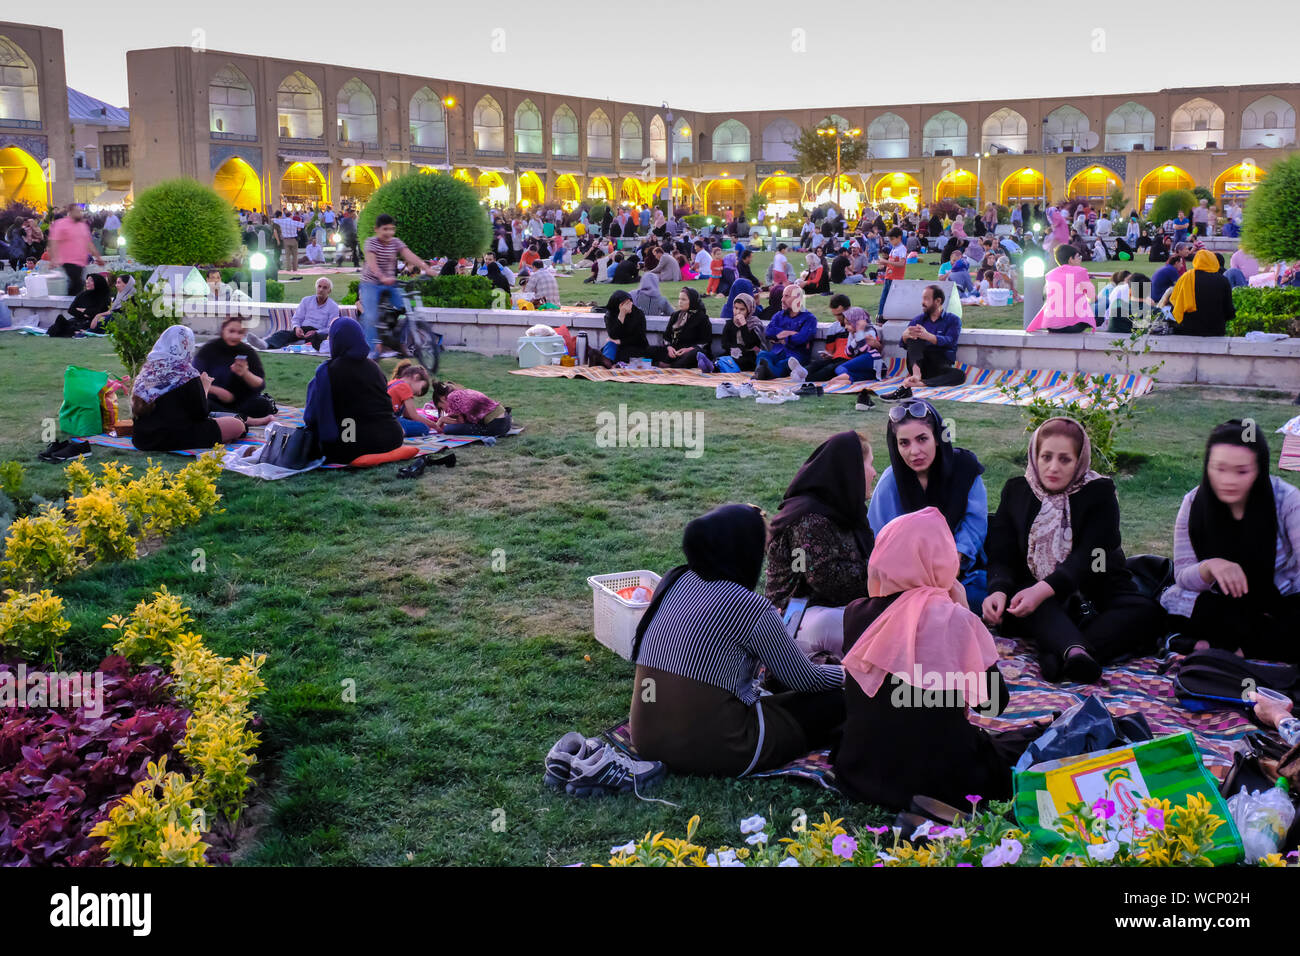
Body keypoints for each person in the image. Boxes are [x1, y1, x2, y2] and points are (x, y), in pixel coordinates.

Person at [833, 506, 1039, 808]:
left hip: (863, 774)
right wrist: (966, 616)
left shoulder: (855, 614)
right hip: (943, 781)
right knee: (1033, 741)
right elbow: (993, 703)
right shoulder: (954, 620)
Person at [628, 504, 846, 777]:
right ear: (744, 552)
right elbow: (804, 680)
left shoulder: (675, 579)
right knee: (835, 702)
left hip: (646, 740)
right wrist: (851, 674)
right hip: (720, 748)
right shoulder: (750, 606)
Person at [983, 418, 1162, 683]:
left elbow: (1091, 557)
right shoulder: (1017, 491)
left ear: (1079, 460)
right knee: (1032, 604)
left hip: (1097, 589)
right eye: (1046, 457)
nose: (1053, 467)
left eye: (1065, 459)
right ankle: (1075, 650)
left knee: (1147, 613)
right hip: (1036, 598)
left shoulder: (1099, 493)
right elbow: (1002, 550)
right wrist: (998, 589)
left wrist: (1042, 590)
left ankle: (1061, 653)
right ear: (1035, 456)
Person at [1160, 422, 1300, 663]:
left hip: (1282, 602)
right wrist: (1211, 566)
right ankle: (1248, 646)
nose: (1229, 480)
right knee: (1173, 599)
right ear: (1208, 466)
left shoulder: (1286, 501)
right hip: (1223, 603)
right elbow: (1182, 575)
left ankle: (1223, 649)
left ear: (1259, 469)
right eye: (1220, 469)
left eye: (1242, 471)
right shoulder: (1195, 503)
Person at [869, 399, 988, 611]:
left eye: (922, 439)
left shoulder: (965, 470)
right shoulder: (891, 482)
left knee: (983, 601)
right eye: (904, 443)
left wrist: (956, 559)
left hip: (962, 572)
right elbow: (880, 539)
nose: (914, 451)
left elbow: (975, 522)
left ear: (937, 438)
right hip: (908, 582)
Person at [765, 432, 876, 659]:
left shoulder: (844, 512)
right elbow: (832, 582)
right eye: (869, 464)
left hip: (828, 612)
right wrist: (888, 574)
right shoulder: (808, 519)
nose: (874, 473)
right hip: (792, 624)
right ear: (851, 471)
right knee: (879, 623)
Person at [131, 326, 252, 451]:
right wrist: (205, 386)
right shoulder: (186, 373)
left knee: (225, 421)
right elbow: (201, 414)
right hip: (173, 437)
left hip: (142, 440)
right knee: (236, 425)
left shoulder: (147, 371)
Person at [304, 318, 405, 463]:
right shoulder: (374, 368)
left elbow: (311, 416)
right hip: (392, 438)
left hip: (352, 444)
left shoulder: (328, 371)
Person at [359, 213, 436, 357]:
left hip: (390, 283)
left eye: (392, 229)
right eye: (385, 229)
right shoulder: (371, 242)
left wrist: (426, 268)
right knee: (371, 316)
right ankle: (372, 350)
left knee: (407, 308)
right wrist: (382, 277)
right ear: (377, 229)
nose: (389, 233)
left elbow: (409, 255)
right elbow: (372, 263)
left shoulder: (396, 242)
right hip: (371, 283)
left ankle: (399, 342)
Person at [193, 316, 277, 419]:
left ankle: (233, 417)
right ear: (223, 330)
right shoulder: (208, 350)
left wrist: (245, 373)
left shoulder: (248, 351)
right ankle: (242, 419)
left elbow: (260, 385)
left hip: (241, 402)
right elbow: (195, 379)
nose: (235, 336)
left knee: (263, 404)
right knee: (201, 404)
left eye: (240, 333)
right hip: (214, 400)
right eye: (231, 331)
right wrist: (217, 391)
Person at [887, 285, 965, 394]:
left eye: (926, 299)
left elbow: (950, 341)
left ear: (938, 301)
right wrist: (904, 336)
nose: (922, 302)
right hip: (918, 364)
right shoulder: (918, 320)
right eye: (922, 298)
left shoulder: (953, 320)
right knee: (913, 337)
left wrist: (928, 336)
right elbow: (905, 345)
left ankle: (922, 383)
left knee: (960, 375)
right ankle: (916, 375)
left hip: (940, 366)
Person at [800, 296, 881, 383]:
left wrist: (860, 333)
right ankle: (800, 373)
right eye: (835, 315)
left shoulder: (865, 328)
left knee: (830, 369)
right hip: (837, 359)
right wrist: (828, 354)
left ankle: (809, 379)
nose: (838, 318)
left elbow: (872, 347)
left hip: (852, 360)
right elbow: (833, 351)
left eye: (840, 314)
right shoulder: (835, 328)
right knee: (815, 365)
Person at [1026, 244, 1097, 334]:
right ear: (1071, 259)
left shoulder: (1050, 274)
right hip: (1072, 326)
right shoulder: (1080, 271)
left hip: (1051, 325)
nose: (1080, 259)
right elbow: (1092, 297)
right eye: (1078, 257)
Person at [753, 284, 817, 380]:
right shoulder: (779, 315)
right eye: (783, 296)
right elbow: (769, 332)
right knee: (763, 355)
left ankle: (765, 372)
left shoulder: (809, 318)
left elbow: (801, 338)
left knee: (784, 363)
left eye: (786, 296)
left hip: (796, 357)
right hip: (777, 353)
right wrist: (789, 333)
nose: (782, 299)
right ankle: (766, 371)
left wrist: (781, 337)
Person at [1169, 249, 1235, 336]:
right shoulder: (1223, 280)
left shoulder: (1185, 278)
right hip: (1216, 330)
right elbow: (1229, 311)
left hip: (1188, 329)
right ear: (1214, 261)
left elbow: (1175, 306)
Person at [648, 287, 714, 371]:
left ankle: (670, 366)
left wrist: (688, 349)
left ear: (692, 301)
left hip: (691, 351)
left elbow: (705, 342)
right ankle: (671, 365)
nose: (680, 302)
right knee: (650, 350)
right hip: (675, 351)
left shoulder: (702, 318)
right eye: (679, 299)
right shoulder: (675, 315)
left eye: (684, 299)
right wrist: (669, 348)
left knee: (695, 355)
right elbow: (666, 336)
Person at [267, 277, 340, 349]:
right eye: (319, 286)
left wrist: (316, 332)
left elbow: (331, 328)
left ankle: (305, 347)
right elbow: (297, 318)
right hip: (303, 330)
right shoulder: (306, 300)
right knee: (281, 334)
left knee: (318, 340)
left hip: (318, 333)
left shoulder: (333, 306)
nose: (321, 290)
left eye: (325, 288)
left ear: (329, 291)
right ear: (316, 287)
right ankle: (266, 345)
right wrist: (296, 328)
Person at [428, 380, 512, 436]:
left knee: (448, 429)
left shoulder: (451, 397)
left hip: (496, 427)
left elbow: (462, 423)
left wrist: (443, 419)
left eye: (441, 407)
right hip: (506, 422)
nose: (444, 410)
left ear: (442, 398)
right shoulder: (461, 393)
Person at [47, 207, 103, 292]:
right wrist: (53, 258)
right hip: (68, 261)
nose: (80, 213)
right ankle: (72, 303)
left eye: (80, 211)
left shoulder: (83, 225)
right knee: (76, 285)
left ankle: (73, 302)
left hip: (81, 262)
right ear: (70, 212)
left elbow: (89, 243)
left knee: (77, 285)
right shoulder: (61, 224)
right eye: (77, 211)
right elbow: (54, 242)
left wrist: (98, 258)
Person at [46, 273, 112, 337]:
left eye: (91, 280)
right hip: (77, 320)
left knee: (65, 329)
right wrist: (84, 313)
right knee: (55, 326)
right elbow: (71, 310)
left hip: (90, 323)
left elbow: (97, 312)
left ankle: (73, 331)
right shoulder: (82, 295)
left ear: (98, 283)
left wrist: (83, 310)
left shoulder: (103, 296)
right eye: (87, 280)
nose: (87, 282)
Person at [593, 290, 649, 365]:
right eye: (625, 303)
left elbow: (640, 337)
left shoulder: (638, 314)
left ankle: (607, 361)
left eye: (630, 301)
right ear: (618, 305)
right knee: (610, 345)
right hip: (616, 345)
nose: (630, 304)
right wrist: (622, 315)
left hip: (636, 346)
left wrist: (621, 341)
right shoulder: (610, 315)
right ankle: (607, 361)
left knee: (622, 352)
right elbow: (613, 335)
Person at [387, 361, 438, 437]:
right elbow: (414, 415)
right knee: (424, 428)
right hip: (387, 420)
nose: (416, 394)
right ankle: (396, 431)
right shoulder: (405, 387)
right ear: (416, 377)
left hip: (380, 419)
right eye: (421, 388)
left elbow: (407, 415)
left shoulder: (393, 382)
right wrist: (435, 426)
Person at [720, 292, 766, 371]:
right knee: (721, 357)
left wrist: (743, 325)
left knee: (741, 360)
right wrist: (733, 348)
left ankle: (721, 367)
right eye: (736, 308)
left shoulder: (754, 323)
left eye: (742, 309)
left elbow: (750, 344)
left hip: (749, 355)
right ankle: (714, 365)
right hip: (733, 353)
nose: (737, 312)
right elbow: (724, 343)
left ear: (749, 310)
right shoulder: (730, 323)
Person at [875, 228, 908, 317]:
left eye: (892, 239)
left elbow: (901, 263)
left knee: (891, 298)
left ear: (899, 237)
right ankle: (881, 315)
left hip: (896, 278)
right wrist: (884, 264)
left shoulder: (902, 249)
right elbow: (892, 264)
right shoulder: (894, 248)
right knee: (884, 298)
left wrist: (886, 262)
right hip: (889, 276)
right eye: (889, 239)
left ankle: (886, 315)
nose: (890, 241)